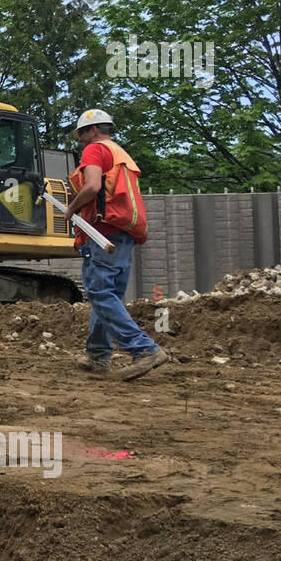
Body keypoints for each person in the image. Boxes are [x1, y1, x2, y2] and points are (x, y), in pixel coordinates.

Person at [66, 110, 168, 381]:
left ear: (91, 131)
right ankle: (98, 356)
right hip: (123, 233)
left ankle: (144, 349)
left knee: (99, 293)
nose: (81, 141)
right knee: (108, 295)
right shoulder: (121, 154)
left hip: (103, 233)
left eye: (82, 135)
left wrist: (71, 209)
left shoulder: (95, 150)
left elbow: (91, 187)